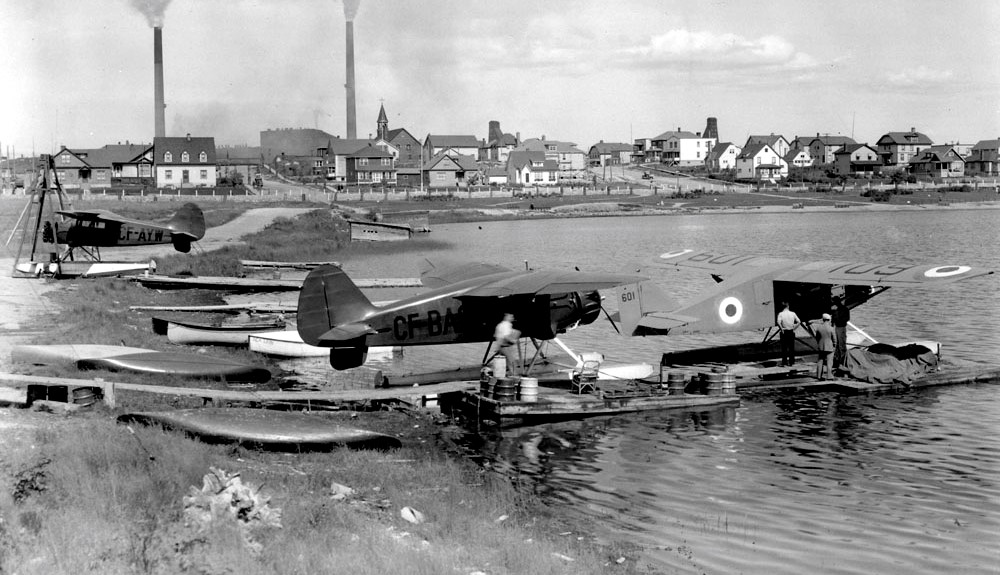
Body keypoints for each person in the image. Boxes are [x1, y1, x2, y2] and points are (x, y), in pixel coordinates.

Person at [776, 302, 801, 366]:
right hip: (791, 331)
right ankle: (791, 362)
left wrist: (781, 328)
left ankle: (784, 362)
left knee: (784, 348)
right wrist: (794, 327)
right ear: (788, 306)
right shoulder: (793, 313)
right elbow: (799, 321)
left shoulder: (780, 314)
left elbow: (778, 322)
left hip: (784, 331)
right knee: (791, 348)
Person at [813, 313, 837, 380]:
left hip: (821, 346)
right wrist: (834, 346)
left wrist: (819, 344)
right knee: (829, 362)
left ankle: (819, 376)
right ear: (829, 320)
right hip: (829, 347)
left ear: (823, 319)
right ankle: (829, 376)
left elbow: (817, 337)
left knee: (820, 361)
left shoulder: (819, 328)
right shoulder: (831, 328)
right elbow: (834, 339)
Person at [830, 296, 850, 371]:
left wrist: (838, 321)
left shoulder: (844, 309)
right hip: (837, 327)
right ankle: (837, 360)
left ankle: (842, 361)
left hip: (841, 327)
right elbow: (833, 318)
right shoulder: (837, 309)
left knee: (841, 345)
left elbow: (847, 318)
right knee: (837, 344)